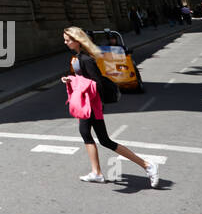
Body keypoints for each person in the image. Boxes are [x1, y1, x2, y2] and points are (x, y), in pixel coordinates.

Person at [62, 27, 159, 187]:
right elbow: (85, 78)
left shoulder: (86, 59)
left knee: (96, 137)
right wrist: (71, 79)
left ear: (77, 40)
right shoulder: (78, 57)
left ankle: (147, 165)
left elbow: (97, 84)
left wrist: (79, 84)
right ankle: (97, 172)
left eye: (68, 39)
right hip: (89, 102)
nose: (65, 42)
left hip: (92, 103)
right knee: (96, 137)